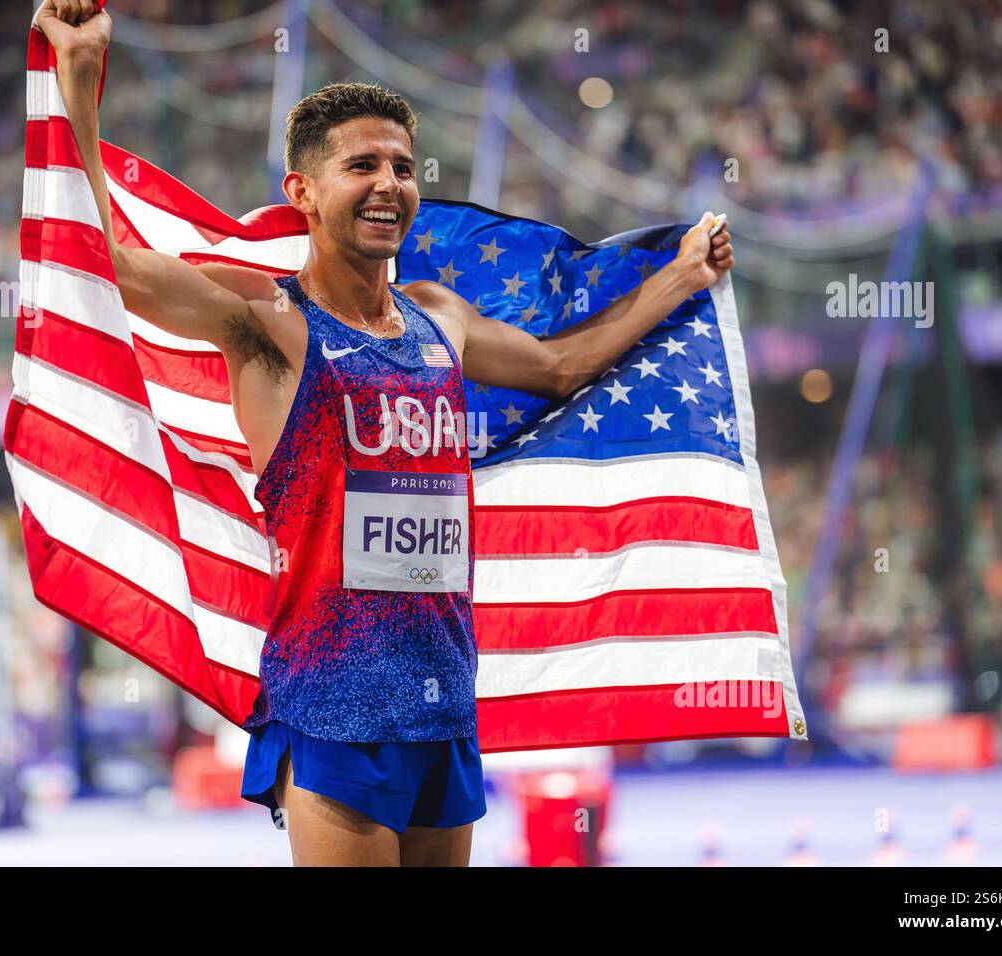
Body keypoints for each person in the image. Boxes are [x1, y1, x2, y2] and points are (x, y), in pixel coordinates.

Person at [37, 0, 734, 866]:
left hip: (445, 704)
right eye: (360, 165)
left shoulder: (441, 320)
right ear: (302, 192)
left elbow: (559, 368)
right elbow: (108, 264)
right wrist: (78, 78)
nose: (389, 184)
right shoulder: (269, 323)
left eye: (402, 166)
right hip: (333, 709)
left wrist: (679, 277)